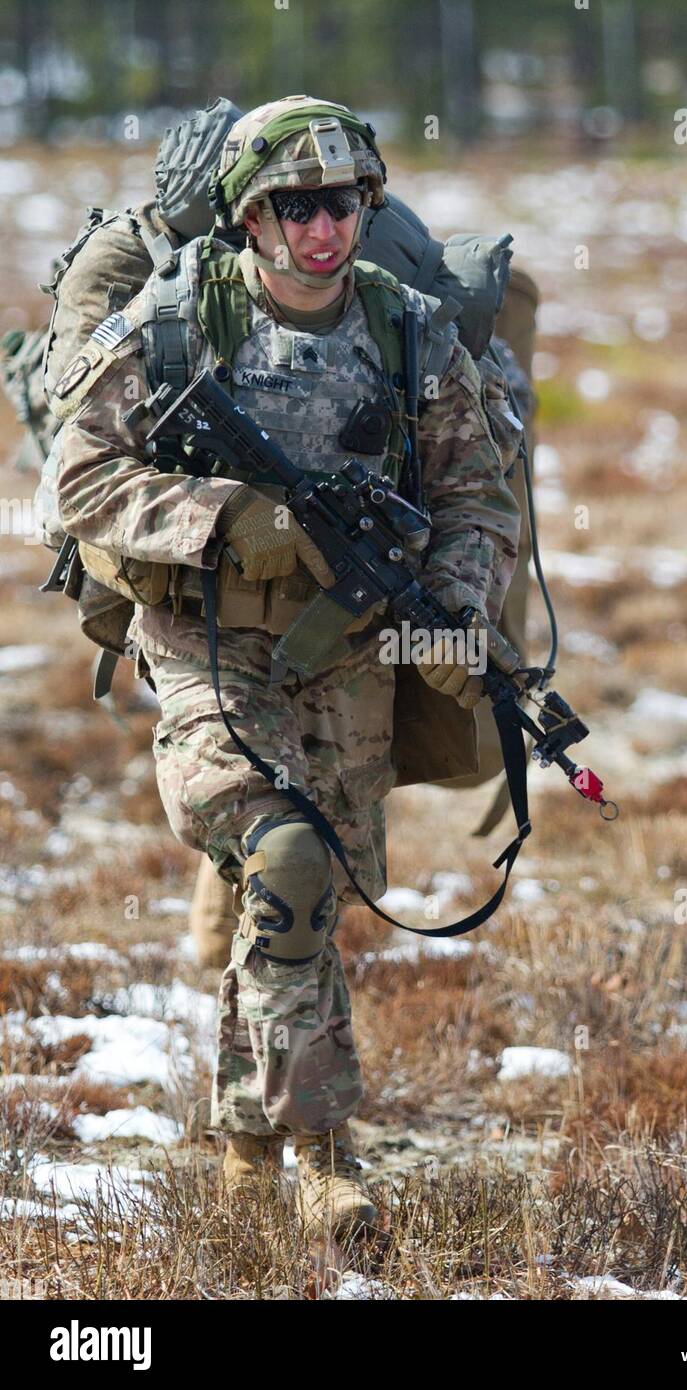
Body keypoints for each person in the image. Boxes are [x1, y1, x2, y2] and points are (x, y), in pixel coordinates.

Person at [54, 94, 521, 1238]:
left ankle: (242, 1144)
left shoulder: (407, 328)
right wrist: (227, 520)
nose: (324, 228)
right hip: (207, 636)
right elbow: (75, 483)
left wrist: (456, 611)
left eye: (345, 202)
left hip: (348, 646)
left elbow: (474, 494)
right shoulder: (178, 323)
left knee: (298, 907)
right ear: (251, 218)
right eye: (295, 206)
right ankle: (320, 1161)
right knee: (291, 861)